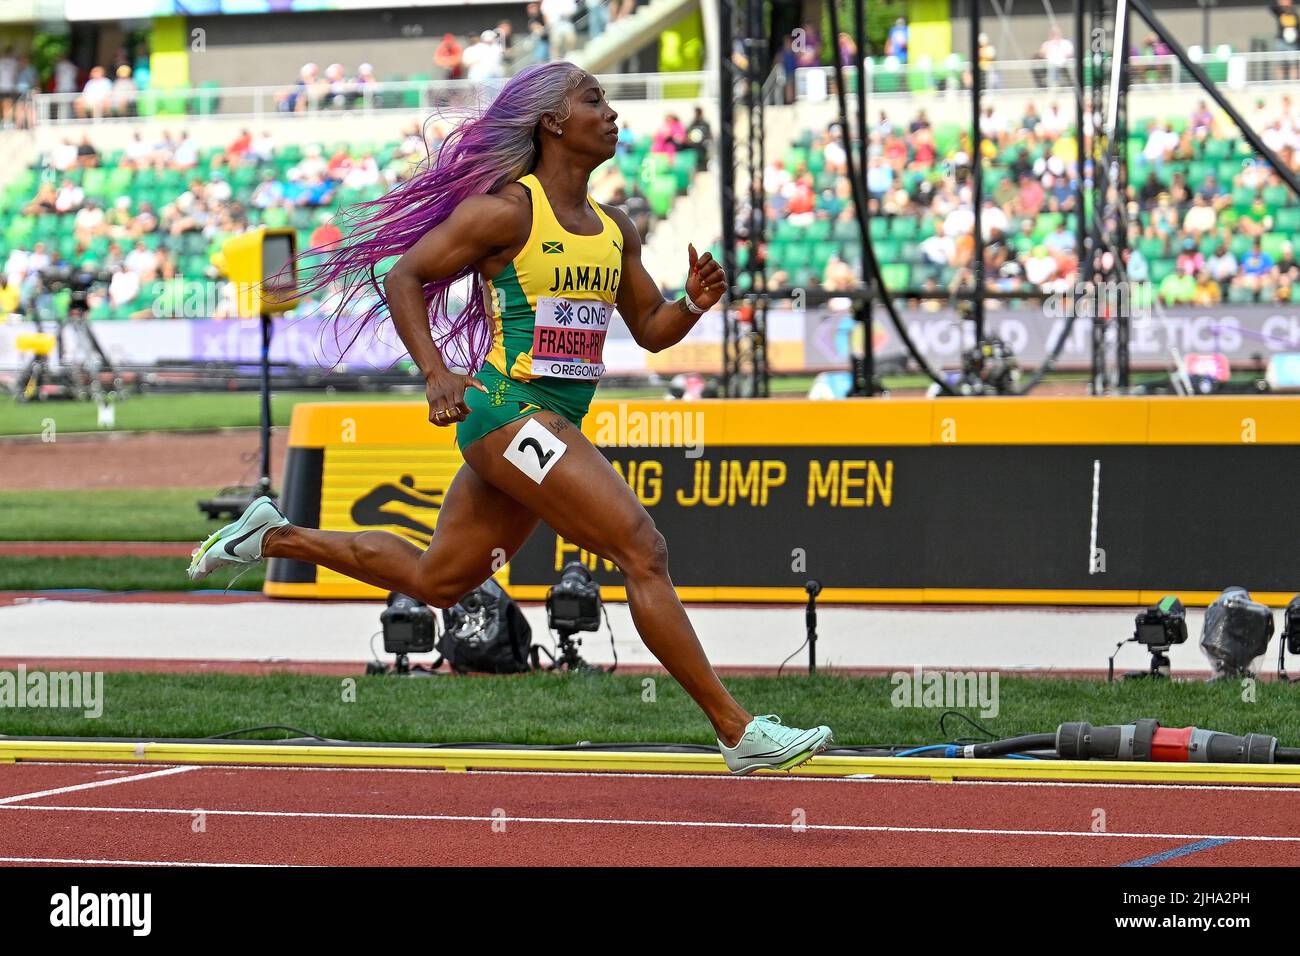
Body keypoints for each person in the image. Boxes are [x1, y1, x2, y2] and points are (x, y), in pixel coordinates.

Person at [186, 63, 833, 775]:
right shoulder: (508, 214)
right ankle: (735, 730)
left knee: (439, 582)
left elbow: (649, 327)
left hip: (546, 422)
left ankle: (272, 535)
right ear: (553, 123)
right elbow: (404, 275)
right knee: (641, 549)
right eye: (595, 100)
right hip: (504, 411)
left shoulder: (616, 229)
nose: (612, 113)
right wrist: (436, 372)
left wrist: (692, 304)